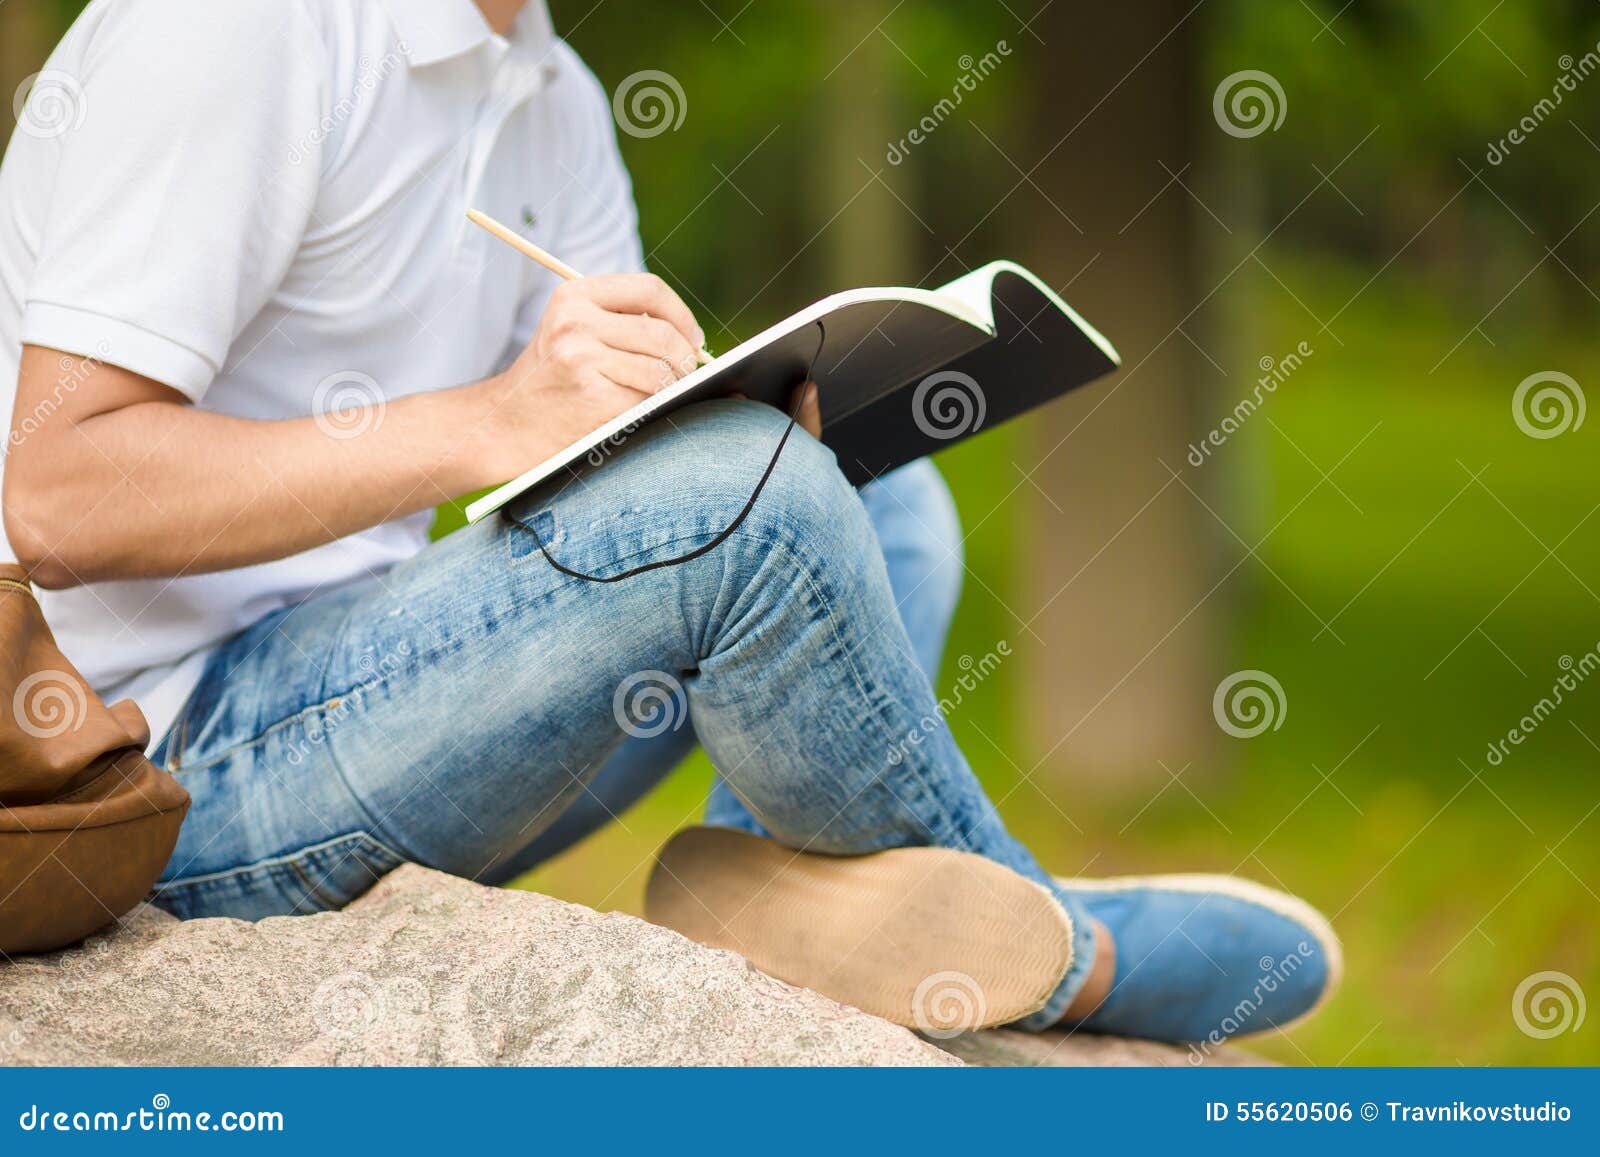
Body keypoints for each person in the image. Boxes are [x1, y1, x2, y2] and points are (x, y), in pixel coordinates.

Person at [0, 0, 1339, 1040]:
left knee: (893, 501)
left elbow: (596, 474)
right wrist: (497, 419)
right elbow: (56, 491)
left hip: (368, 699)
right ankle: (1051, 941)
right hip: (148, 772)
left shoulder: (556, 97)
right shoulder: (238, 34)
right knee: (743, 497)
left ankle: (786, 893)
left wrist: (719, 423)